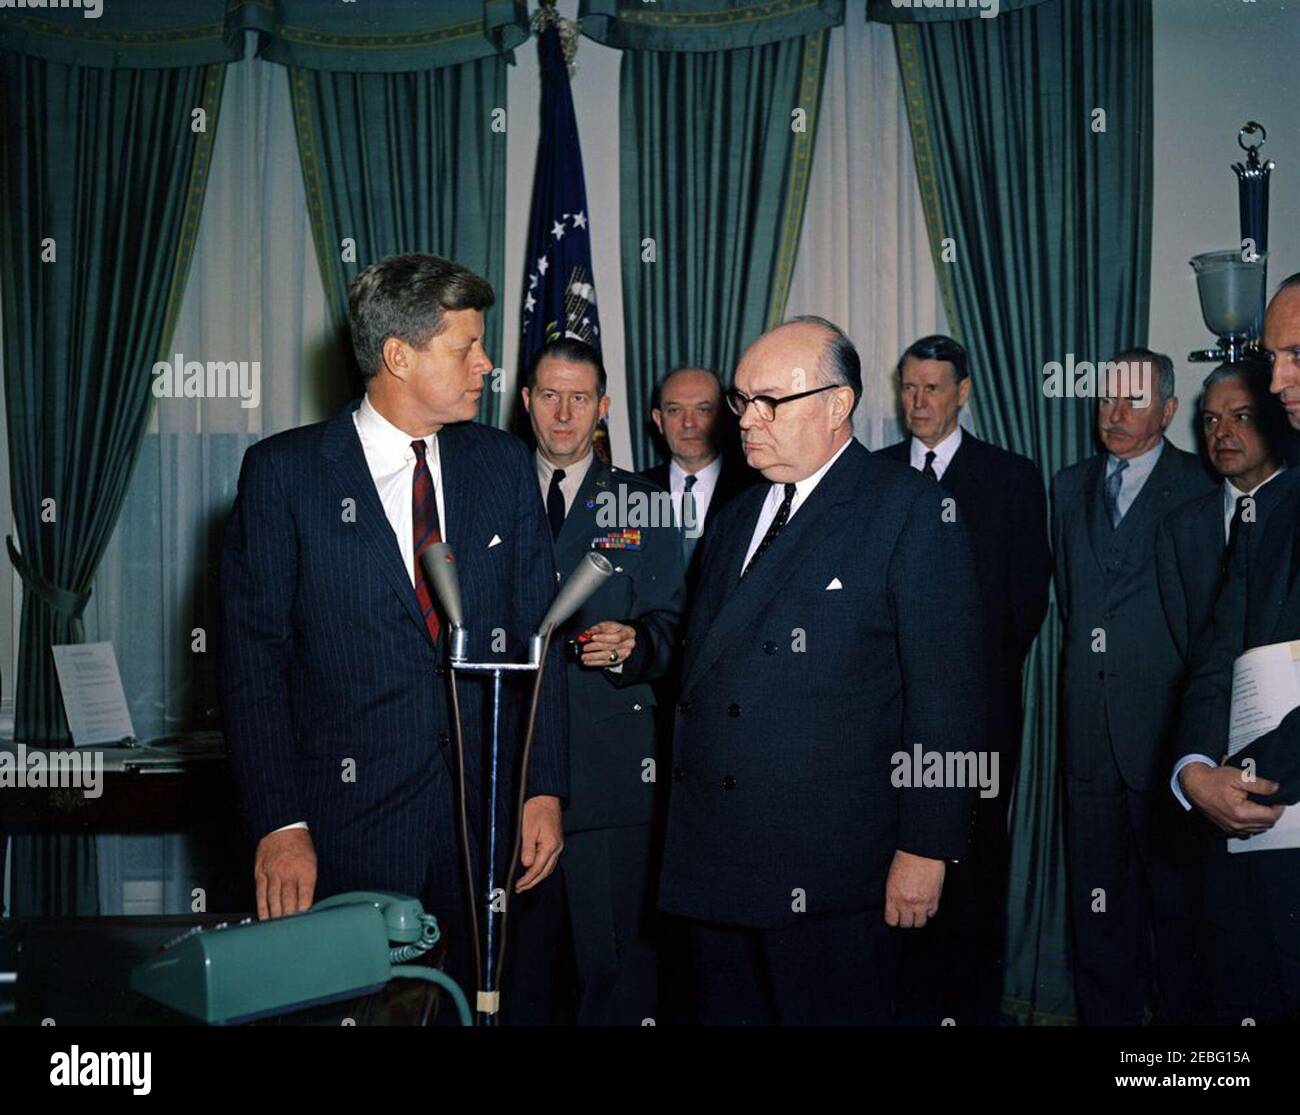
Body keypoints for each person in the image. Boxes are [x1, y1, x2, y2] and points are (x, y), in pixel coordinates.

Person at [219, 253, 568, 1005]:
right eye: (465, 347)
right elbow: (252, 667)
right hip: (345, 833)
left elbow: (540, 642)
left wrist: (542, 790)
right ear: (398, 355)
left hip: (486, 830)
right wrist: (280, 823)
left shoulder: (505, 467)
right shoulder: (286, 476)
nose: (486, 365)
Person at [657, 315, 986, 1025]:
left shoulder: (910, 509)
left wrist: (927, 846)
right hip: (719, 853)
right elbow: (703, 664)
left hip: (834, 868)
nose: (747, 421)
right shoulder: (737, 515)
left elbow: (949, 696)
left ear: (838, 405)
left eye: (771, 401)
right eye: (742, 401)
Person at [511, 338, 685, 1025]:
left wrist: (635, 643)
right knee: (516, 977)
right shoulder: (489, 493)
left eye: (579, 398)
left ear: (604, 408)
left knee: (610, 974)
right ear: (525, 402)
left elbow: (679, 627)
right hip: (509, 772)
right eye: (549, 396)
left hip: (609, 780)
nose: (563, 414)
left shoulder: (645, 505)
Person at [879, 334, 1050, 1025]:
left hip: (979, 723)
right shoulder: (874, 473)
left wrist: (954, 685)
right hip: (883, 721)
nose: (918, 402)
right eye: (909, 388)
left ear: (964, 393)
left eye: (933, 389)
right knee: (889, 872)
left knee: (970, 874)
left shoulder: (1009, 477)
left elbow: (1024, 605)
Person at [1051, 347, 1214, 1024]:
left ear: (1169, 410)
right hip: (1088, 735)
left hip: (1169, 742)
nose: (1114, 414)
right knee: (1098, 915)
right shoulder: (1067, 484)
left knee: (1178, 919)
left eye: (1134, 401)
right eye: (1106, 399)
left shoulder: (1203, 486)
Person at [1173, 274, 1300, 1024]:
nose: (1277, 378)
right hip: (1261, 848)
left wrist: (1246, 775)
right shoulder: (1269, 510)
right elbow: (1216, 654)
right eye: (1272, 356)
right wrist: (1194, 771)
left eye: (1295, 355)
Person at [1156, 361, 1287, 666]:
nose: (1221, 433)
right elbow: (1187, 648)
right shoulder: (1181, 529)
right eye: (1211, 420)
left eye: (1241, 417)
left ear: (1273, 421)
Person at [642, 366, 756, 584]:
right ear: (659, 420)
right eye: (675, 410)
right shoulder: (631, 491)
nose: (688, 423)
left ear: (724, 417)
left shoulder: (755, 490)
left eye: (703, 410)